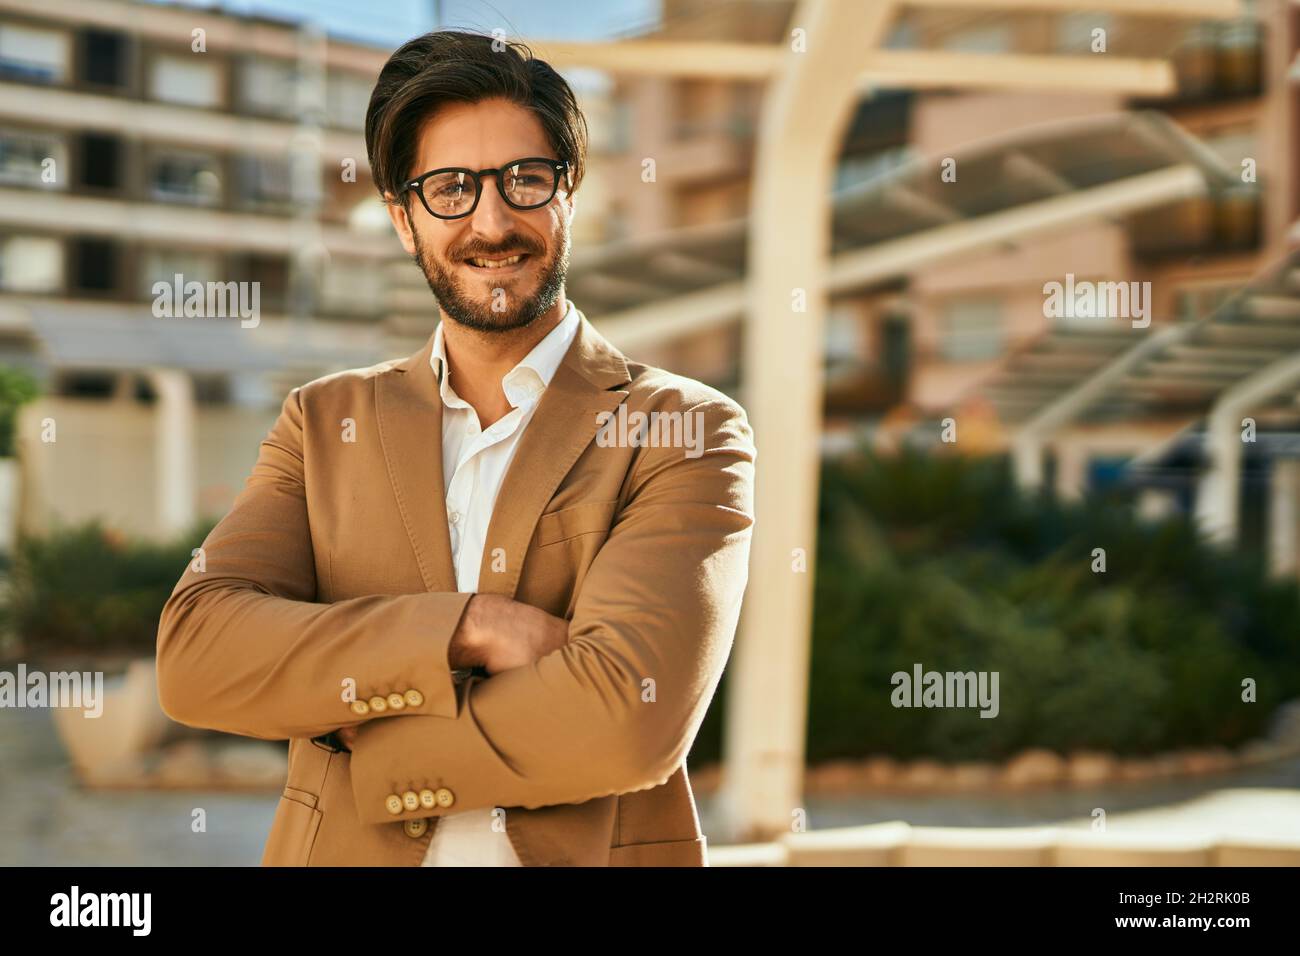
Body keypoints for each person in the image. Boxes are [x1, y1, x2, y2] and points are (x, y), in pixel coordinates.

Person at [156, 29, 755, 867]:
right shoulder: (322, 423)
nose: (492, 220)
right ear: (404, 219)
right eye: (450, 189)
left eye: (525, 178)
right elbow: (197, 656)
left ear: (569, 193)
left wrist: (370, 750)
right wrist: (466, 630)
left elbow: (627, 720)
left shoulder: (681, 430)